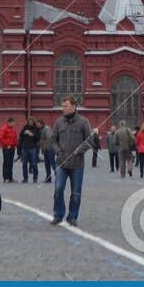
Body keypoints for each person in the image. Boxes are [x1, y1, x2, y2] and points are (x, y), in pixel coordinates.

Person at [48, 96, 96, 226]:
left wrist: (80, 150)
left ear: (74, 106)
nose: (62, 108)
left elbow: (90, 141)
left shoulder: (83, 122)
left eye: (65, 106)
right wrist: (57, 151)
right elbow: (52, 140)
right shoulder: (59, 122)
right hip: (61, 163)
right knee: (58, 189)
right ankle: (58, 215)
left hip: (77, 164)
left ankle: (72, 217)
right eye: (62, 106)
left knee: (76, 193)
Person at [18, 117, 42, 183]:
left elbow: (38, 138)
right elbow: (20, 136)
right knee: (24, 163)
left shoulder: (36, 129)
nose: (30, 122)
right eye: (29, 121)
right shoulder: (25, 127)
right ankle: (25, 178)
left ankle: (35, 177)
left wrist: (32, 135)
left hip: (33, 147)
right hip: (24, 147)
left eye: (31, 121)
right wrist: (23, 133)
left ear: (33, 122)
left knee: (34, 163)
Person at [0, 117, 18, 183]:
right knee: (6, 162)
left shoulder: (13, 129)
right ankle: (5, 177)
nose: (14, 124)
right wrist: (6, 144)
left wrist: (15, 145)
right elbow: (0, 138)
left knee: (11, 163)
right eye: (13, 122)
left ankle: (10, 177)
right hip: (6, 148)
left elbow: (15, 138)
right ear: (9, 122)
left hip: (12, 148)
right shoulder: (4, 128)